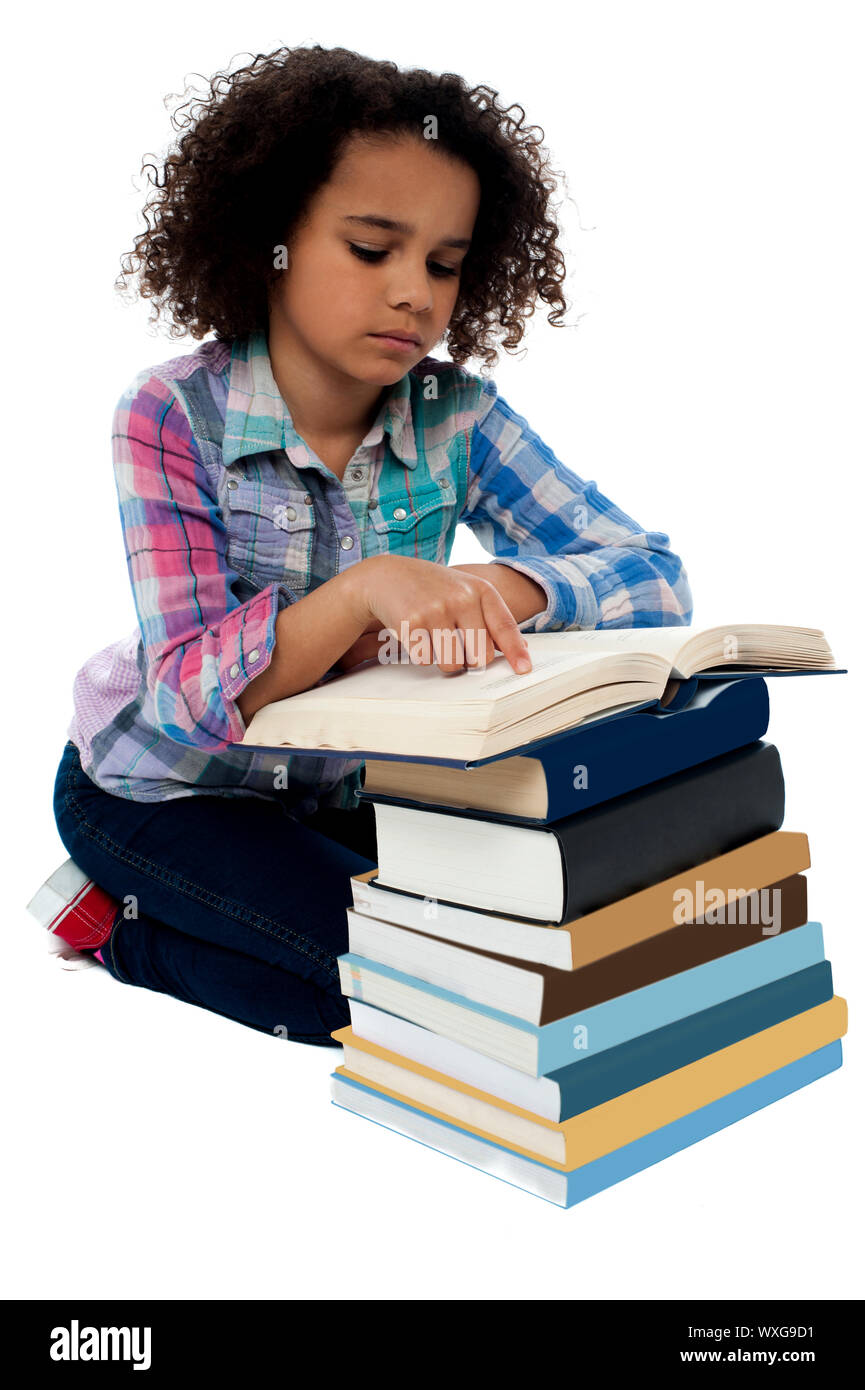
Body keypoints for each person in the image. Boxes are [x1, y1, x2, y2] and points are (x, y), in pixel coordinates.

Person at [32, 44, 692, 1045]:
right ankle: (119, 933)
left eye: (443, 263)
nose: (414, 294)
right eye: (372, 248)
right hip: (163, 790)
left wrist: (501, 586)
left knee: (526, 961)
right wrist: (364, 590)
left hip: (336, 790)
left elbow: (652, 574)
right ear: (272, 240)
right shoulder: (172, 412)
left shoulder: (455, 416)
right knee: (398, 998)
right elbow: (187, 694)